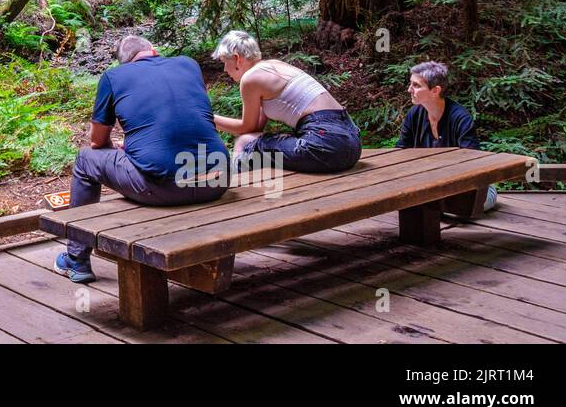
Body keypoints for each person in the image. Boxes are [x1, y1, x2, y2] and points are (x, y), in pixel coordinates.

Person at [53, 35, 229, 285]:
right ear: (154, 50)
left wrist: (123, 150)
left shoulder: (114, 77)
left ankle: (76, 259)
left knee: (85, 159)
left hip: (164, 188)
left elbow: (97, 142)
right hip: (217, 180)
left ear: (124, 63)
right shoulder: (188, 64)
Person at [211, 29, 362, 173]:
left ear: (237, 58)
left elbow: (246, 126)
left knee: (249, 145)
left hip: (325, 143)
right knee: (248, 140)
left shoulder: (250, 78)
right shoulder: (274, 66)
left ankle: (239, 188)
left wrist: (208, 118)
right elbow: (254, 129)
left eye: (224, 61)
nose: (224, 69)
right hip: (351, 141)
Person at [396, 61, 498, 213]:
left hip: (471, 188)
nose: (409, 89)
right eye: (410, 84)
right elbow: (400, 151)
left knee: (459, 208)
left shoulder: (460, 118)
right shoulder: (414, 114)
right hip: (429, 186)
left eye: (416, 85)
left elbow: (472, 164)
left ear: (435, 90)